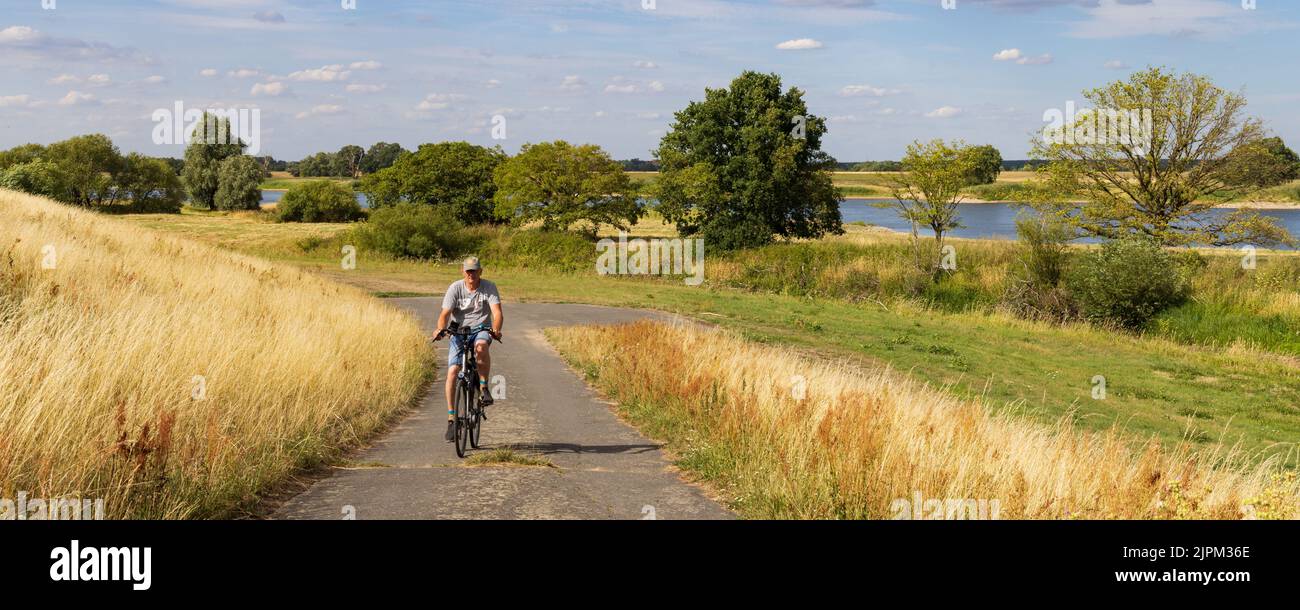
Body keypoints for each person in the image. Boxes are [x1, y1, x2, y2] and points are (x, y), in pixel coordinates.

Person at [433, 257, 503, 442]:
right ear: (462, 271)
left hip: (481, 329)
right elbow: (445, 314)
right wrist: (441, 329)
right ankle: (451, 419)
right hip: (459, 331)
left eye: (474, 271)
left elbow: (497, 313)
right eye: (468, 271)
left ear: (480, 271)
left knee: (480, 347)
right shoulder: (455, 288)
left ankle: (483, 387)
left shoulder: (489, 287)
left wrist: (495, 329)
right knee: (453, 372)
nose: (471, 274)